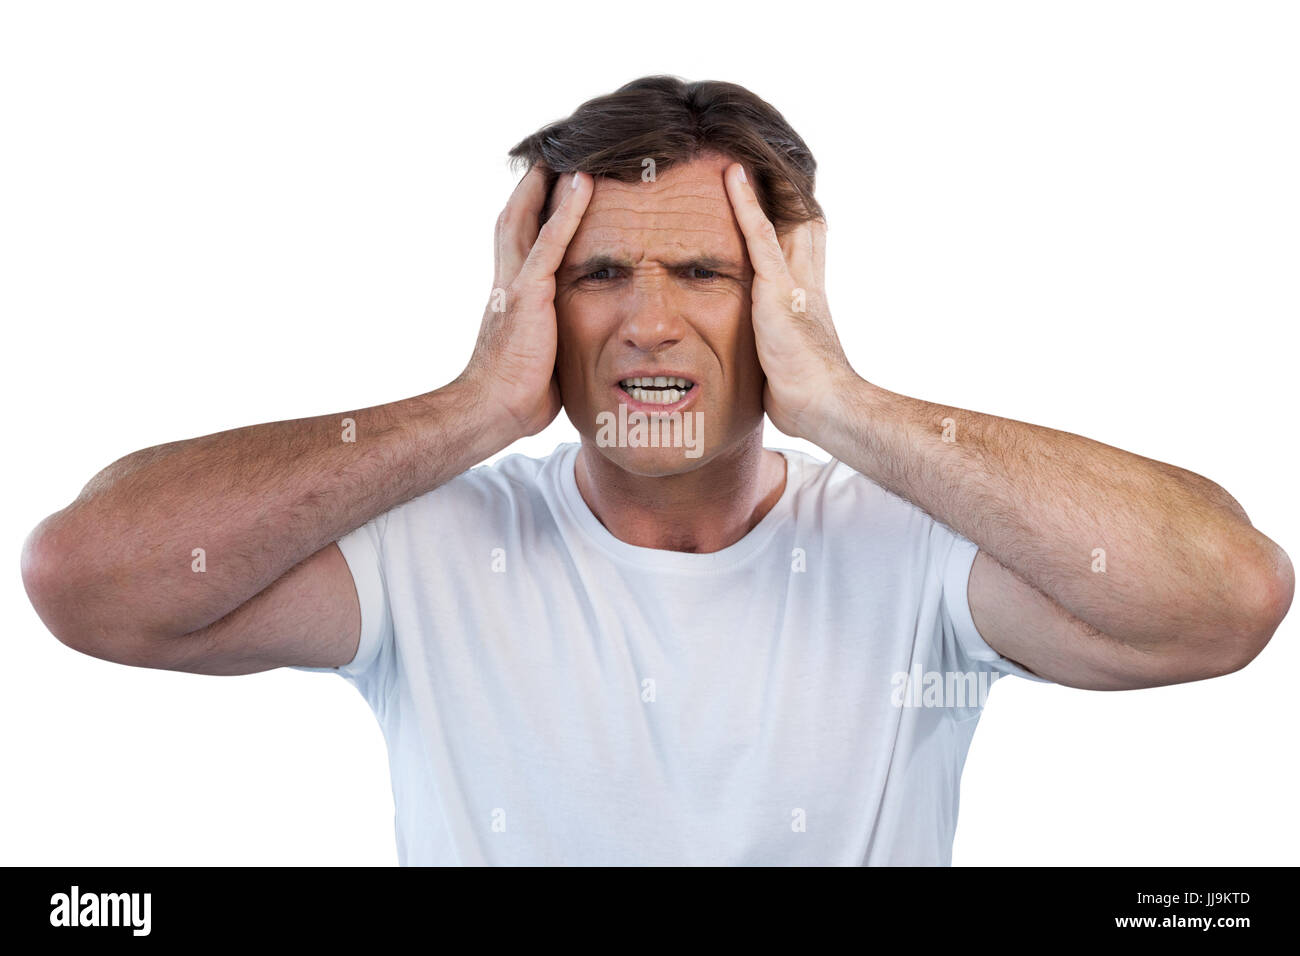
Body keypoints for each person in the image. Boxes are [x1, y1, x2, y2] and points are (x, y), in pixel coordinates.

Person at [20, 75, 1294, 865]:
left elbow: (1224, 597)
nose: (646, 321)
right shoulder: (432, 544)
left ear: (784, 297)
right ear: (537, 299)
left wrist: (843, 401)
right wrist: (470, 407)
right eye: (597, 274)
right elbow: (89, 578)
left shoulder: (917, 549)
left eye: (703, 273)